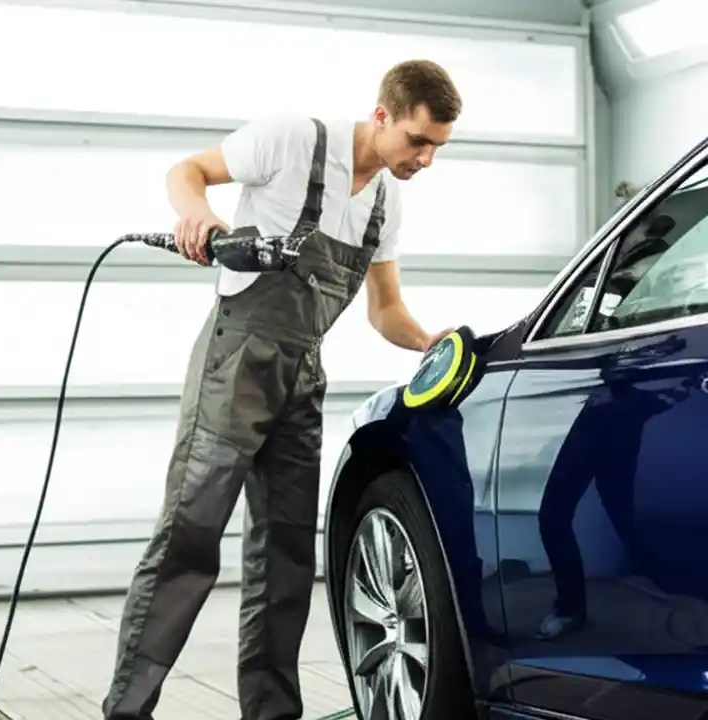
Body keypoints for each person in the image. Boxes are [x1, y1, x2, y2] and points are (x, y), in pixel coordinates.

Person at [102, 59, 462, 720]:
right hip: (236, 361)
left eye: (438, 145)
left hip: (302, 374)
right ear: (382, 115)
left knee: (288, 555)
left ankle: (271, 713)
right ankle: (127, 710)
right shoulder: (294, 139)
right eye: (418, 140)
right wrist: (197, 216)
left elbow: (385, 309)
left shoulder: (387, 201)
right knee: (189, 535)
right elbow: (188, 171)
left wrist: (428, 341)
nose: (427, 158)